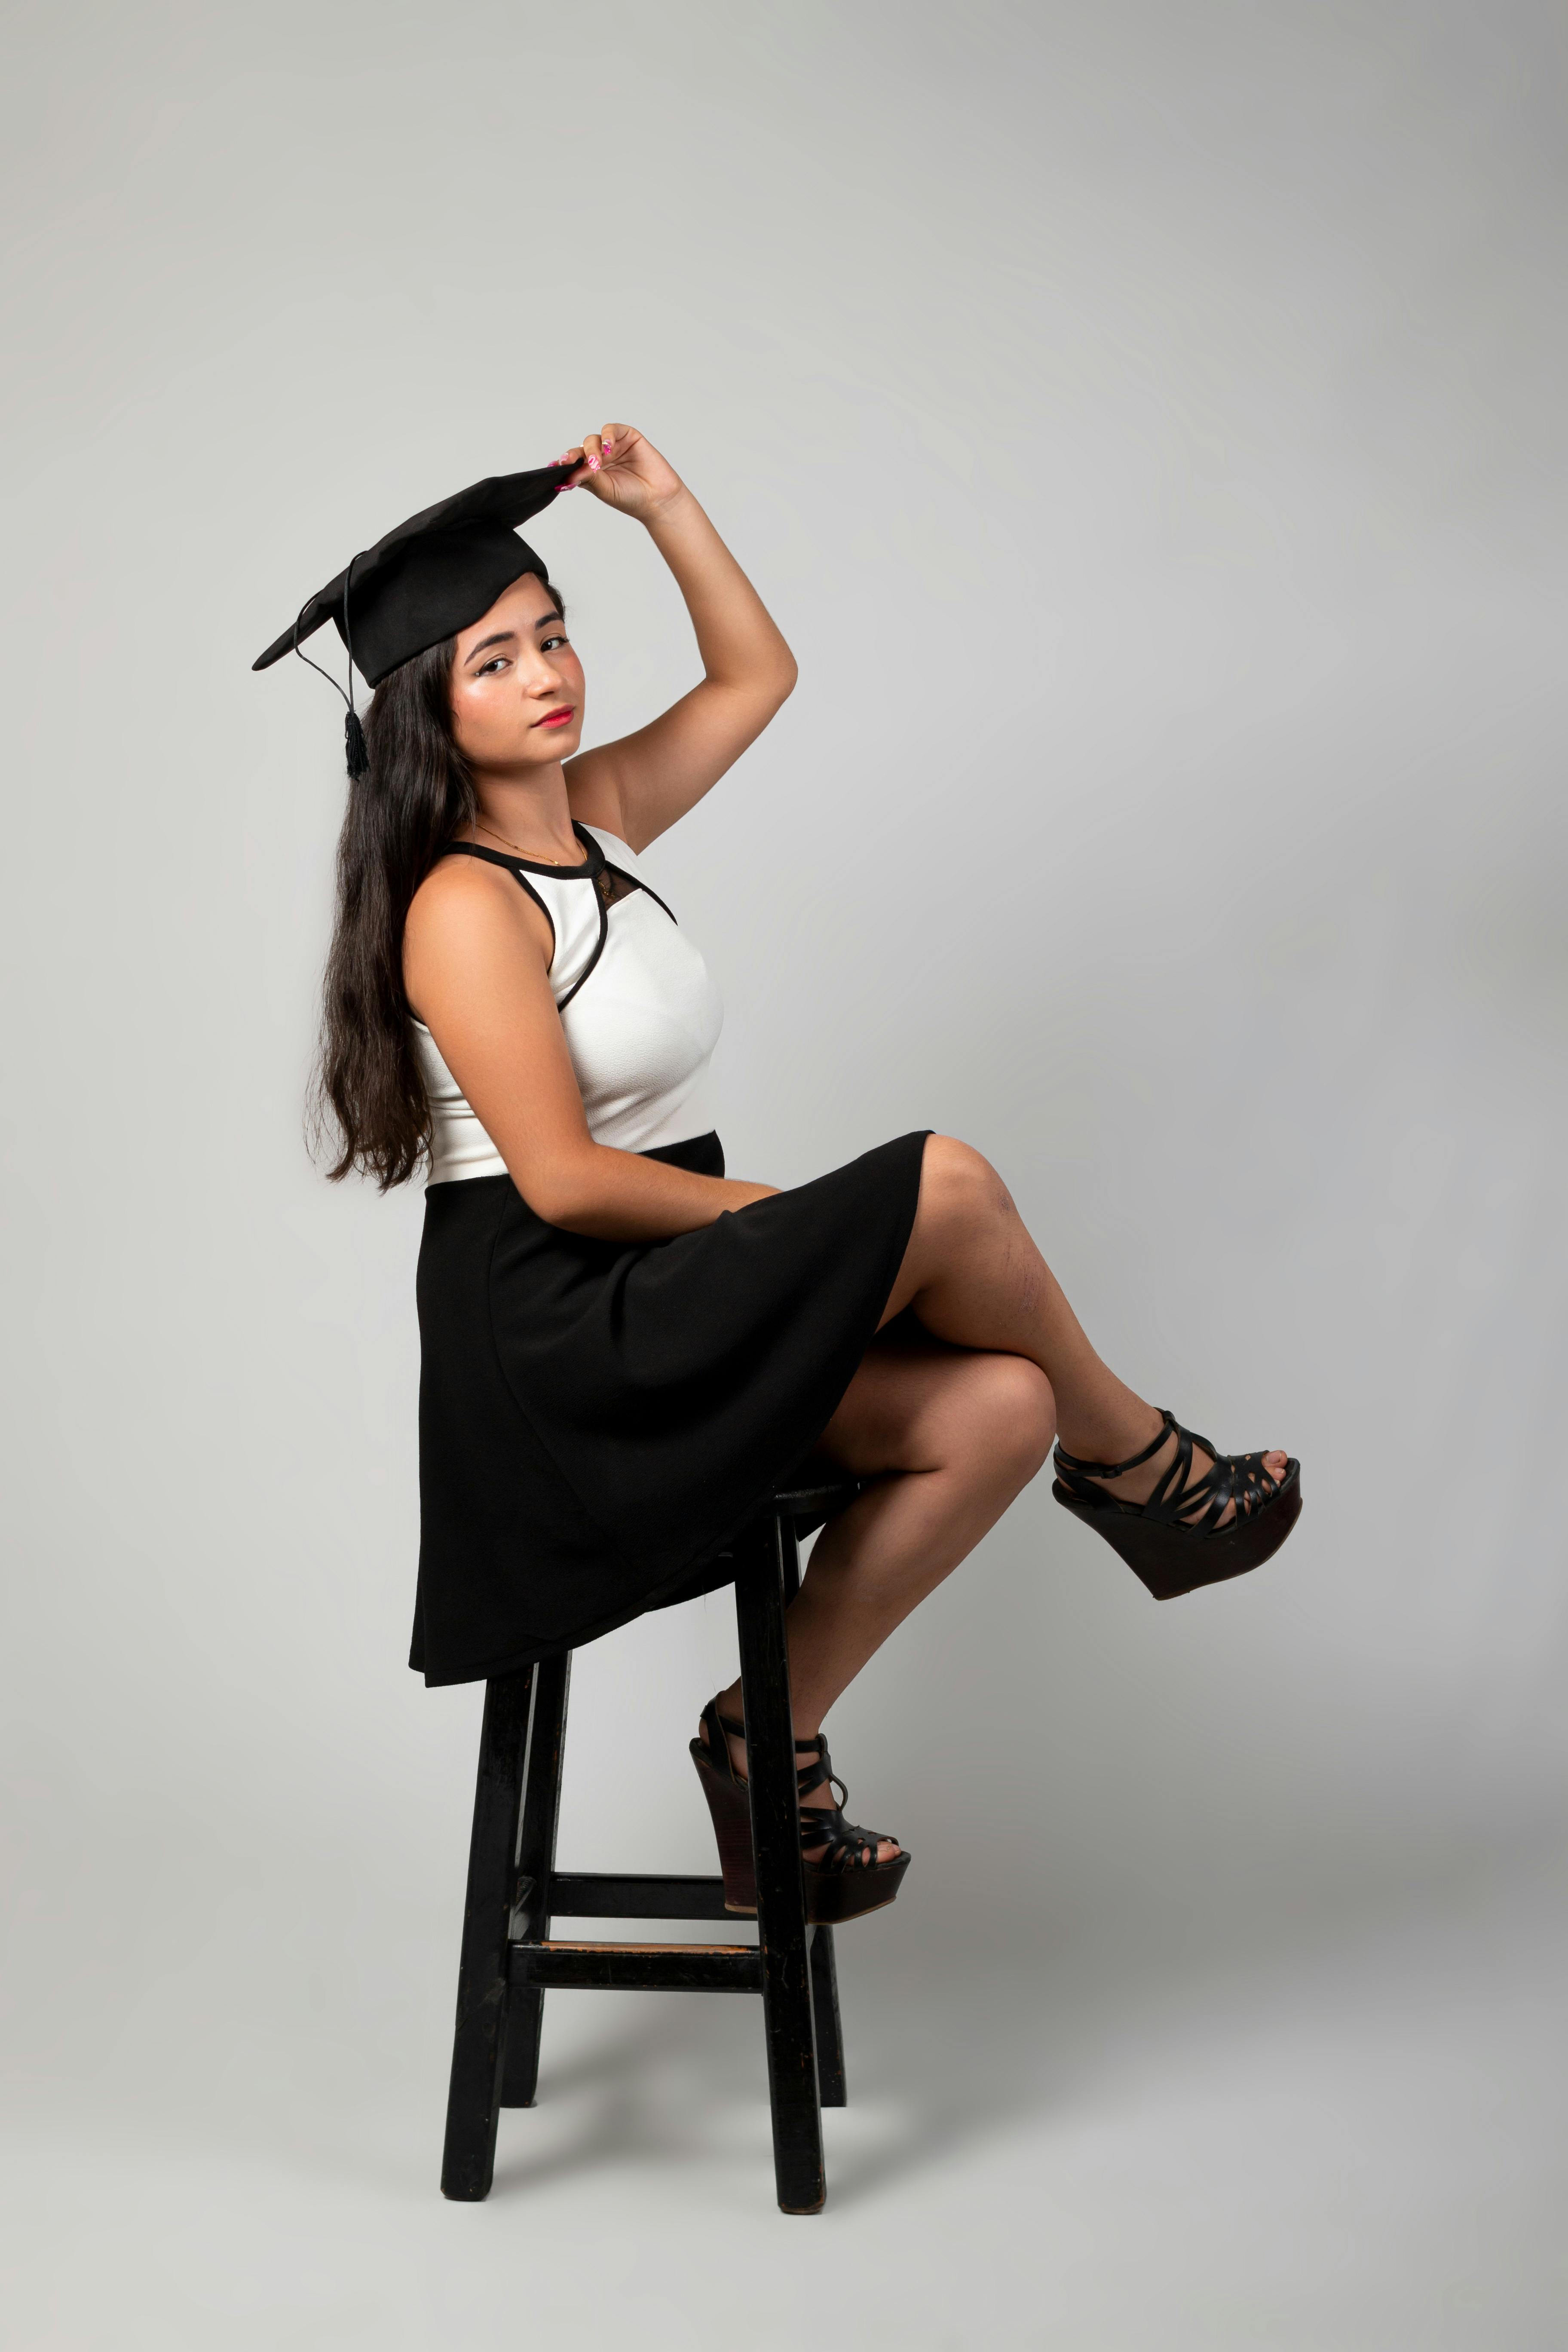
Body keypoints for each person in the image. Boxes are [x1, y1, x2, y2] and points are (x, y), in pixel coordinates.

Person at [256, 423, 1299, 1928]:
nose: (547, 674)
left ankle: (764, 1736)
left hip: (659, 1288)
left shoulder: (595, 821)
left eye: (554, 636)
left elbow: (757, 679)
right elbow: (558, 1184)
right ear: (428, 704)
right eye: (495, 661)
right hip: (560, 1335)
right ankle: (1143, 1467)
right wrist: (790, 1224)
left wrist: (665, 507)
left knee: (995, 1405)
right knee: (944, 1182)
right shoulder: (461, 908)